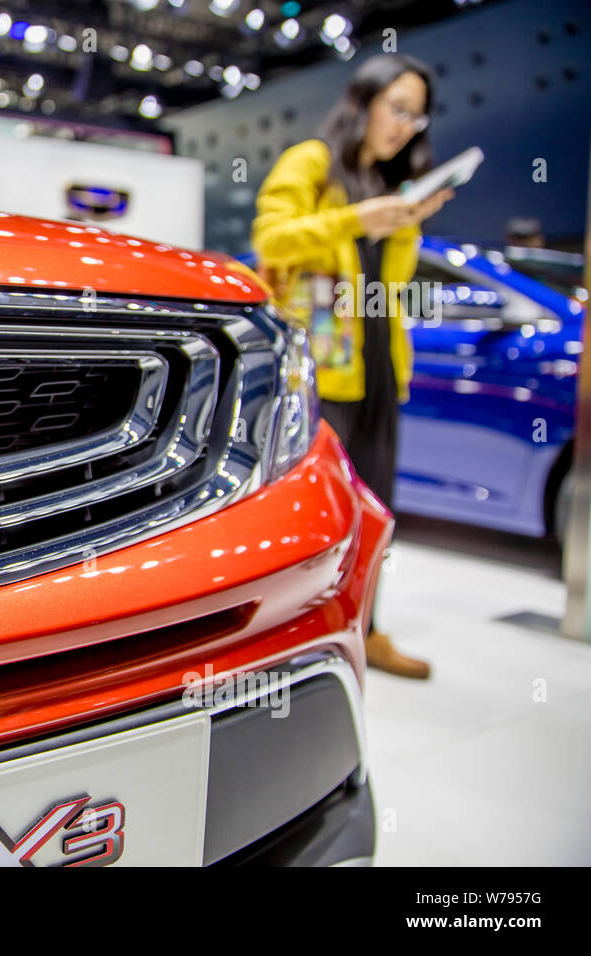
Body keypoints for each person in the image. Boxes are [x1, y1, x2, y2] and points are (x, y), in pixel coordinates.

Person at [252, 53, 454, 679]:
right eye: (397, 106)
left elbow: (389, 286)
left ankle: (365, 628)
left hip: (377, 365)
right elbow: (271, 240)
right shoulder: (312, 161)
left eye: (416, 116)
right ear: (363, 99)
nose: (404, 124)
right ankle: (294, 632)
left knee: (375, 507)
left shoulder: (389, 187)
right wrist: (358, 219)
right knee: (315, 508)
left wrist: (403, 224)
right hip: (322, 362)